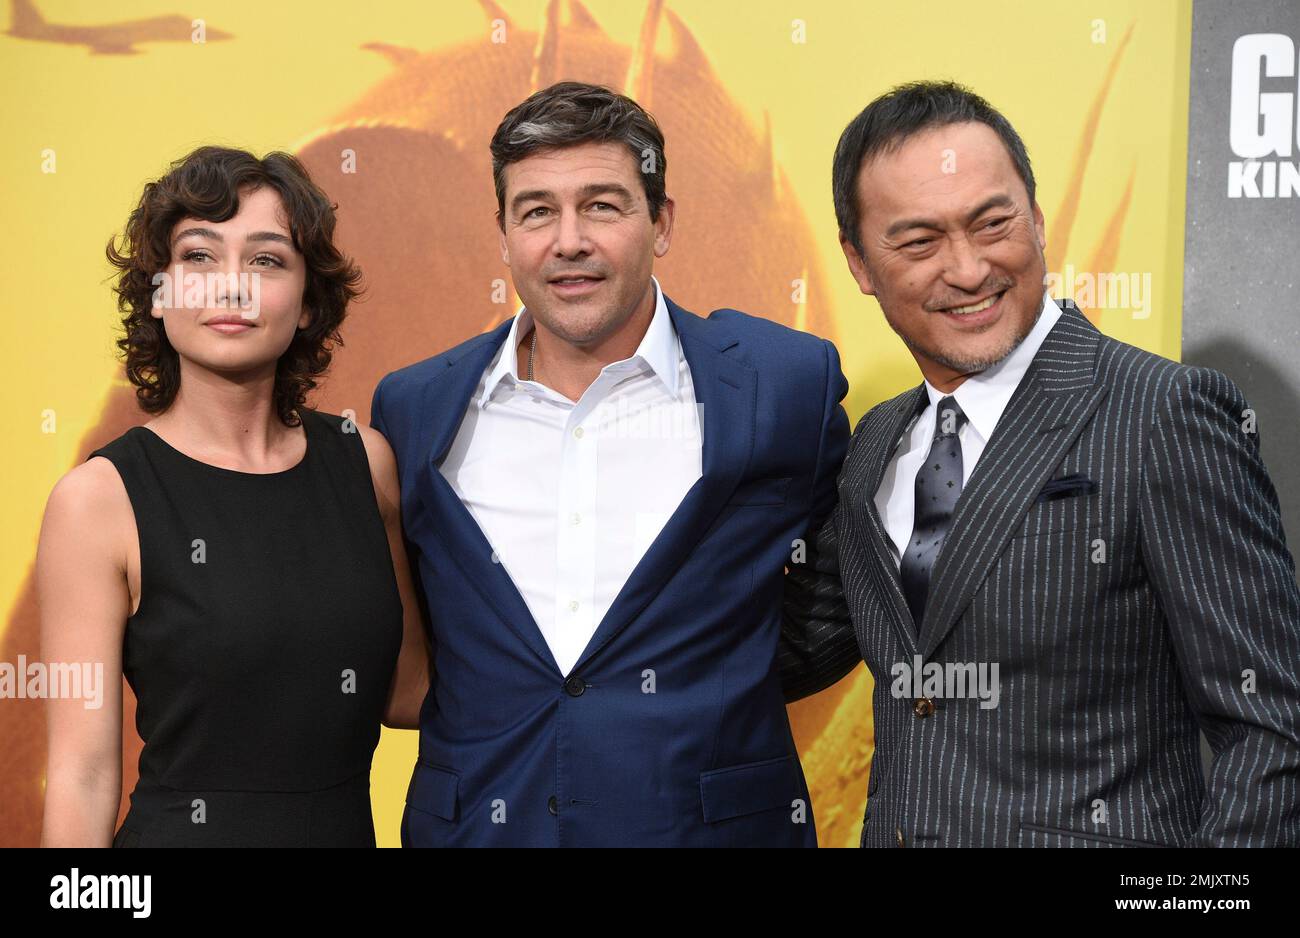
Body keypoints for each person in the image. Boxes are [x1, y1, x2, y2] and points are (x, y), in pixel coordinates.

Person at [779, 80, 1300, 847]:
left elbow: (1273, 728)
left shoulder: (1162, 415)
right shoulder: (874, 449)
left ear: (1039, 218)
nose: (967, 269)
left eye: (994, 224)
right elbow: (778, 655)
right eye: (919, 242)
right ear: (858, 263)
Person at [371, 81, 848, 847]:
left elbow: (838, 599)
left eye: (602, 205)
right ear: (501, 235)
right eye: (536, 211)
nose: (569, 241)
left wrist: (724, 688)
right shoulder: (414, 406)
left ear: (661, 222)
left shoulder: (782, 383)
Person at [38, 146, 431, 847]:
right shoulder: (98, 501)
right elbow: (82, 774)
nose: (231, 288)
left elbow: (408, 692)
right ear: (160, 295)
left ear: (309, 304)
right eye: (198, 257)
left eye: (266, 260)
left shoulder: (365, 464)